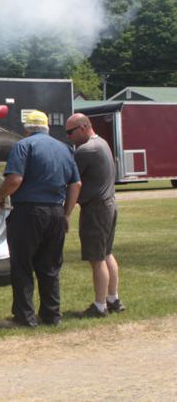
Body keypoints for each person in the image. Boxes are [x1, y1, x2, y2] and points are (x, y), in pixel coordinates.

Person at [0, 110, 81, 327]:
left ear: (27, 129)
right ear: (47, 127)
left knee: (22, 266)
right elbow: (76, 184)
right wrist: (66, 214)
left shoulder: (23, 146)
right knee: (50, 266)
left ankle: (25, 318)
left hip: (29, 212)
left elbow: (15, 179)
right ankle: (51, 315)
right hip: (56, 212)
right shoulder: (65, 149)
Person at [66, 113, 125, 318]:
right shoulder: (102, 143)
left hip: (96, 209)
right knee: (107, 253)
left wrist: (66, 211)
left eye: (70, 132)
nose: (68, 137)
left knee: (96, 258)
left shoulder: (85, 151)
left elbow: (71, 181)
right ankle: (113, 299)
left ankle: (100, 307)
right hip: (109, 205)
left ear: (83, 127)